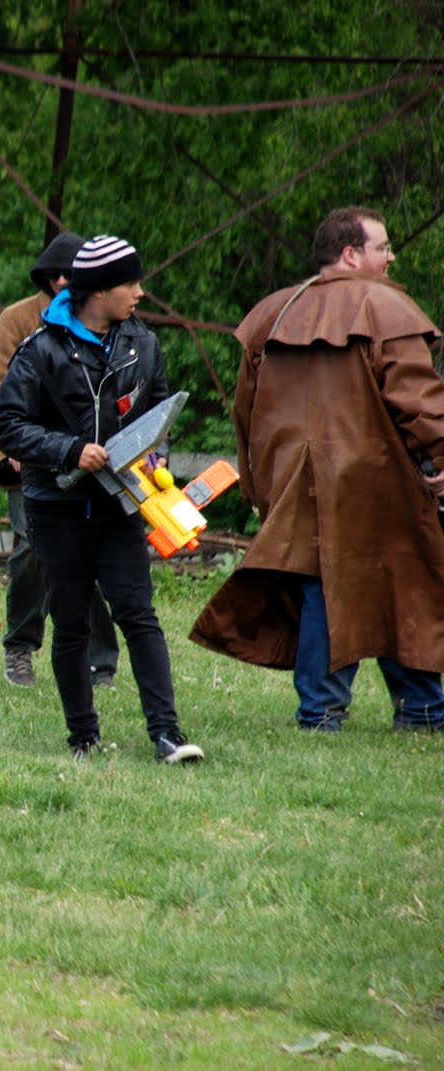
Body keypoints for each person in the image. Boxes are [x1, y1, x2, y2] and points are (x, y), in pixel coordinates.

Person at [191, 206, 444, 731]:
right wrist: (439, 459)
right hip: (377, 483)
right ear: (350, 254)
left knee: (323, 587)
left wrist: (259, 484)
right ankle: (418, 710)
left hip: (296, 484)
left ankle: (324, 712)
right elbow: (421, 404)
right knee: (405, 585)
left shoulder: (273, 313)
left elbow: (244, 410)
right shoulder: (386, 308)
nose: (391, 258)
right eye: (382, 248)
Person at [0, 235, 204, 764]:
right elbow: (6, 424)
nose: (140, 293)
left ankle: (168, 734)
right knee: (71, 624)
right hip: (56, 508)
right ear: (100, 291)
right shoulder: (40, 349)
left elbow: (158, 411)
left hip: (120, 507)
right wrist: (69, 450)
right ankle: (82, 738)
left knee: (138, 614)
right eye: (131, 283)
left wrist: (155, 457)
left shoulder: (143, 343)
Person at [0, 232, 120, 690]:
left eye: (70, 275)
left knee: (91, 557)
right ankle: (20, 647)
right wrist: (8, 452)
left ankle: (100, 662)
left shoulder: (111, 321)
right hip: (34, 461)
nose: (61, 282)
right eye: (54, 274)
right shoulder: (18, 319)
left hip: (95, 463)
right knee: (32, 554)